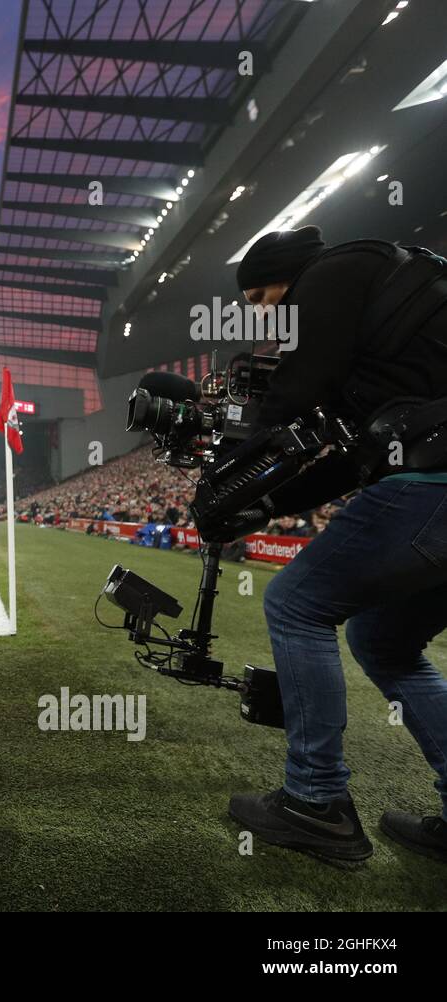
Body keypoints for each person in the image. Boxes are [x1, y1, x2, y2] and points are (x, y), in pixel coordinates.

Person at [226, 226, 447, 865]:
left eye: (262, 295)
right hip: (434, 473)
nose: (264, 314)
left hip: (436, 482)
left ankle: (317, 803)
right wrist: (266, 502)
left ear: (286, 274)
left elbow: (294, 396)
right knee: (383, 641)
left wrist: (232, 469)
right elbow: (351, 462)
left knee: (296, 604)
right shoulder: (390, 337)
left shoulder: (332, 272)